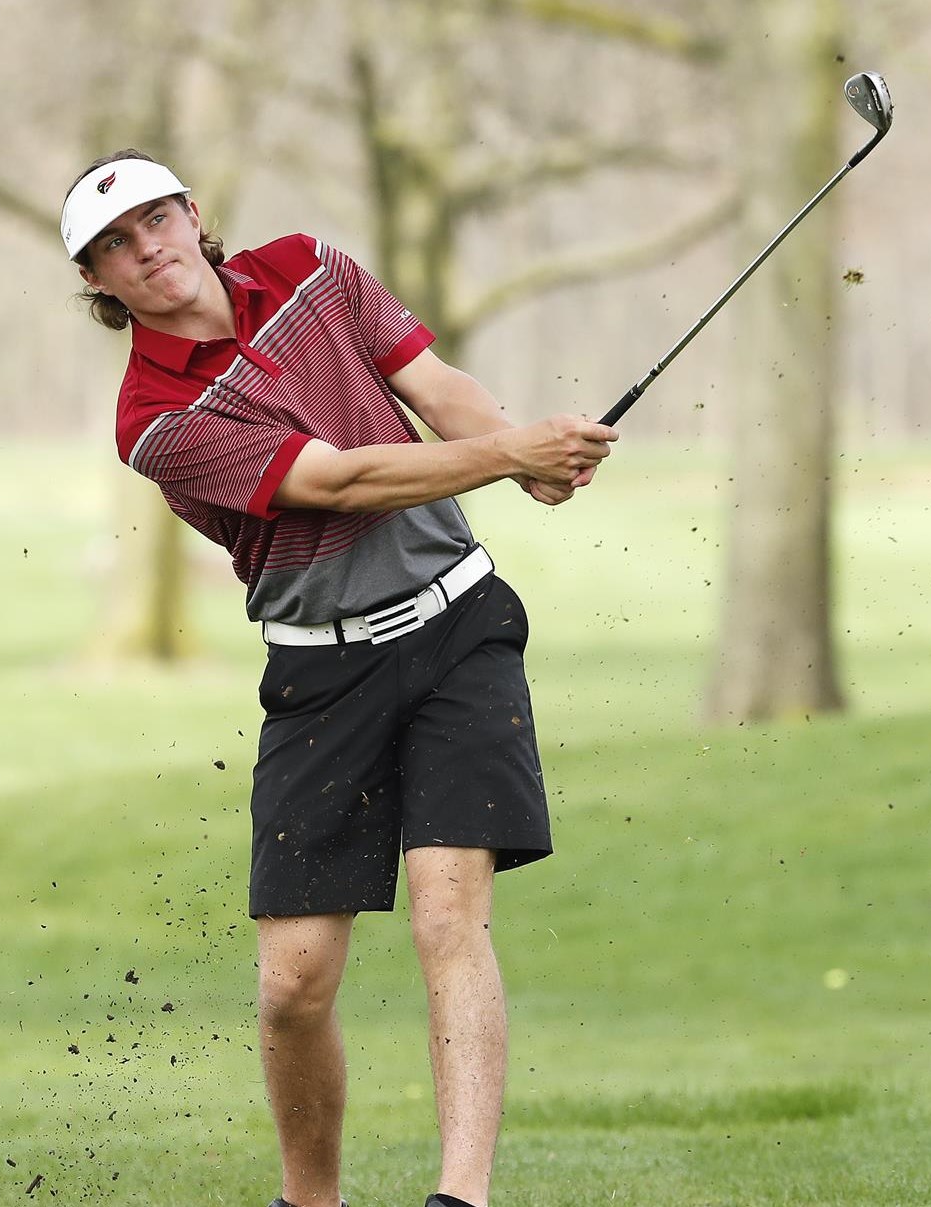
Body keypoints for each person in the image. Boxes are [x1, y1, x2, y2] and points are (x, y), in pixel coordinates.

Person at [61, 149, 615, 1207]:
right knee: (293, 985)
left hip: (459, 630)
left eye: (155, 221)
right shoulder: (154, 420)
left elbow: (433, 386)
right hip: (321, 679)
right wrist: (508, 459)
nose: (148, 252)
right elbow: (341, 480)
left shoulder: (311, 267)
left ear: (192, 211)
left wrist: (514, 444)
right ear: (99, 282)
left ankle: (462, 1197)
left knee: (448, 917)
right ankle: (310, 1200)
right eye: (116, 249)